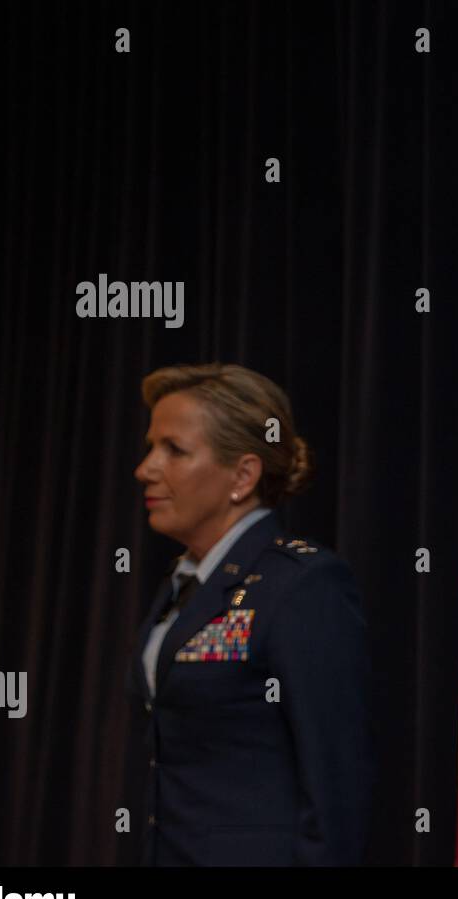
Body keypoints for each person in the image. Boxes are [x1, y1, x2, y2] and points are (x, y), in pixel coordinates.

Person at [125, 363, 373, 865]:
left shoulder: (302, 584)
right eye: (152, 447)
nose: (146, 468)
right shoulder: (185, 582)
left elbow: (336, 789)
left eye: (173, 449)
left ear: (242, 475)